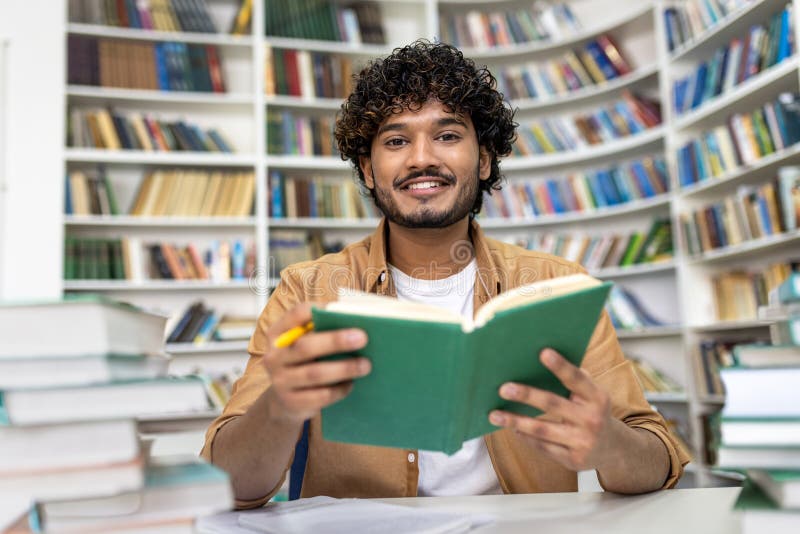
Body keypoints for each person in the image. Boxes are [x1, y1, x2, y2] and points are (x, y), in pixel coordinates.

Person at [201, 40, 690, 508]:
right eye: (396, 140)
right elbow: (231, 485)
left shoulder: (555, 285)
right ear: (368, 170)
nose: (422, 158)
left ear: (483, 160)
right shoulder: (306, 291)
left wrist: (608, 443)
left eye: (448, 135)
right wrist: (279, 408)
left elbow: (659, 461)